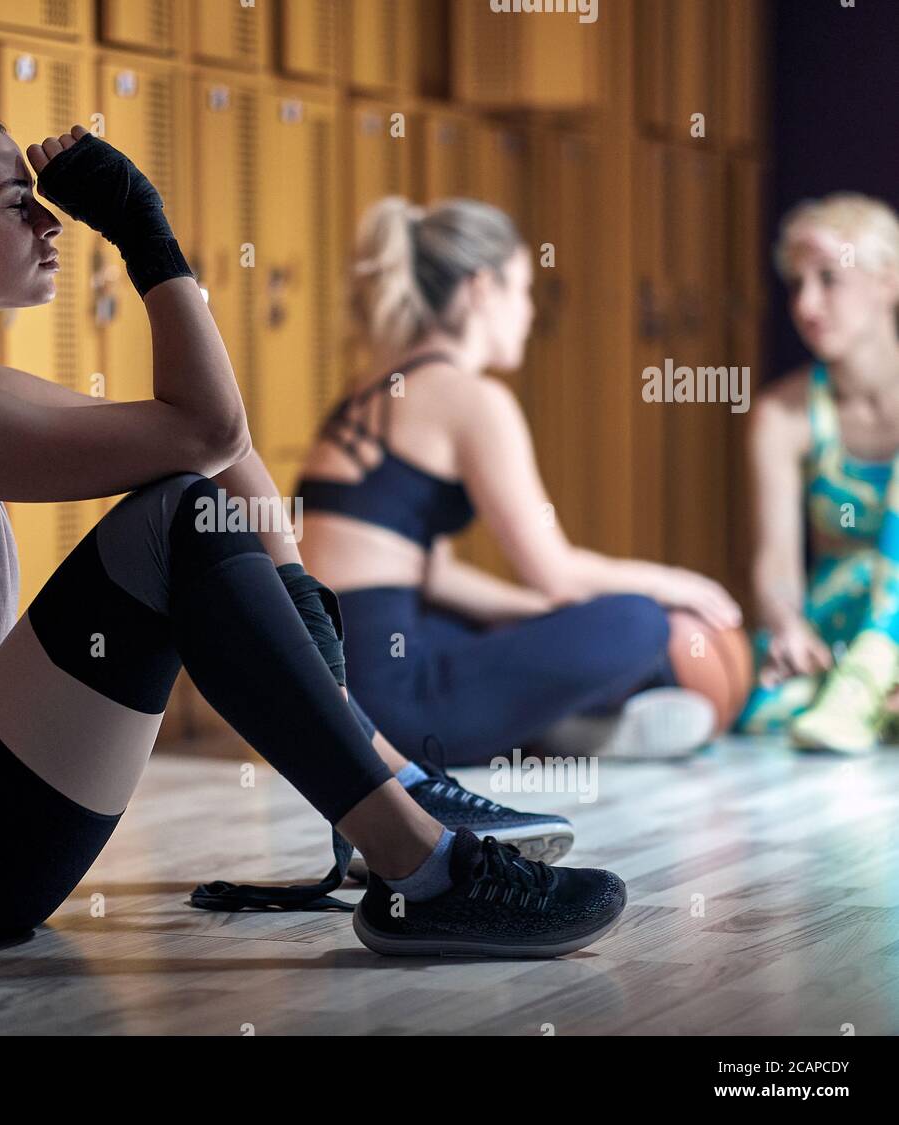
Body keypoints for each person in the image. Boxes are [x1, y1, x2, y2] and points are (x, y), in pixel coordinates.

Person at [0, 98, 623, 959]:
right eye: (20, 203)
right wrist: (142, 233)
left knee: (183, 500)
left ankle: (395, 809)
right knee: (174, 517)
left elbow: (218, 445)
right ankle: (426, 866)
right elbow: (203, 432)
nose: (52, 222)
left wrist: (303, 619)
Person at [296, 196, 743, 766]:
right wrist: (670, 583)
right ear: (483, 288)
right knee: (639, 621)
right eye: (525, 289)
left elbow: (434, 574)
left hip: (331, 699)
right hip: (393, 711)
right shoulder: (472, 399)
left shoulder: (372, 389)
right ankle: (568, 732)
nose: (531, 312)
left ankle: (558, 729)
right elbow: (555, 572)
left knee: (492, 623)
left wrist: (540, 621)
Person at [739, 193, 899, 752]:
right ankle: (866, 684)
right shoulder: (783, 416)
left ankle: (873, 677)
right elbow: (777, 563)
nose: (807, 305)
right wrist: (786, 623)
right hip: (839, 623)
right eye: (797, 284)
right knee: (768, 702)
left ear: (889, 281)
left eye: (829, 278)